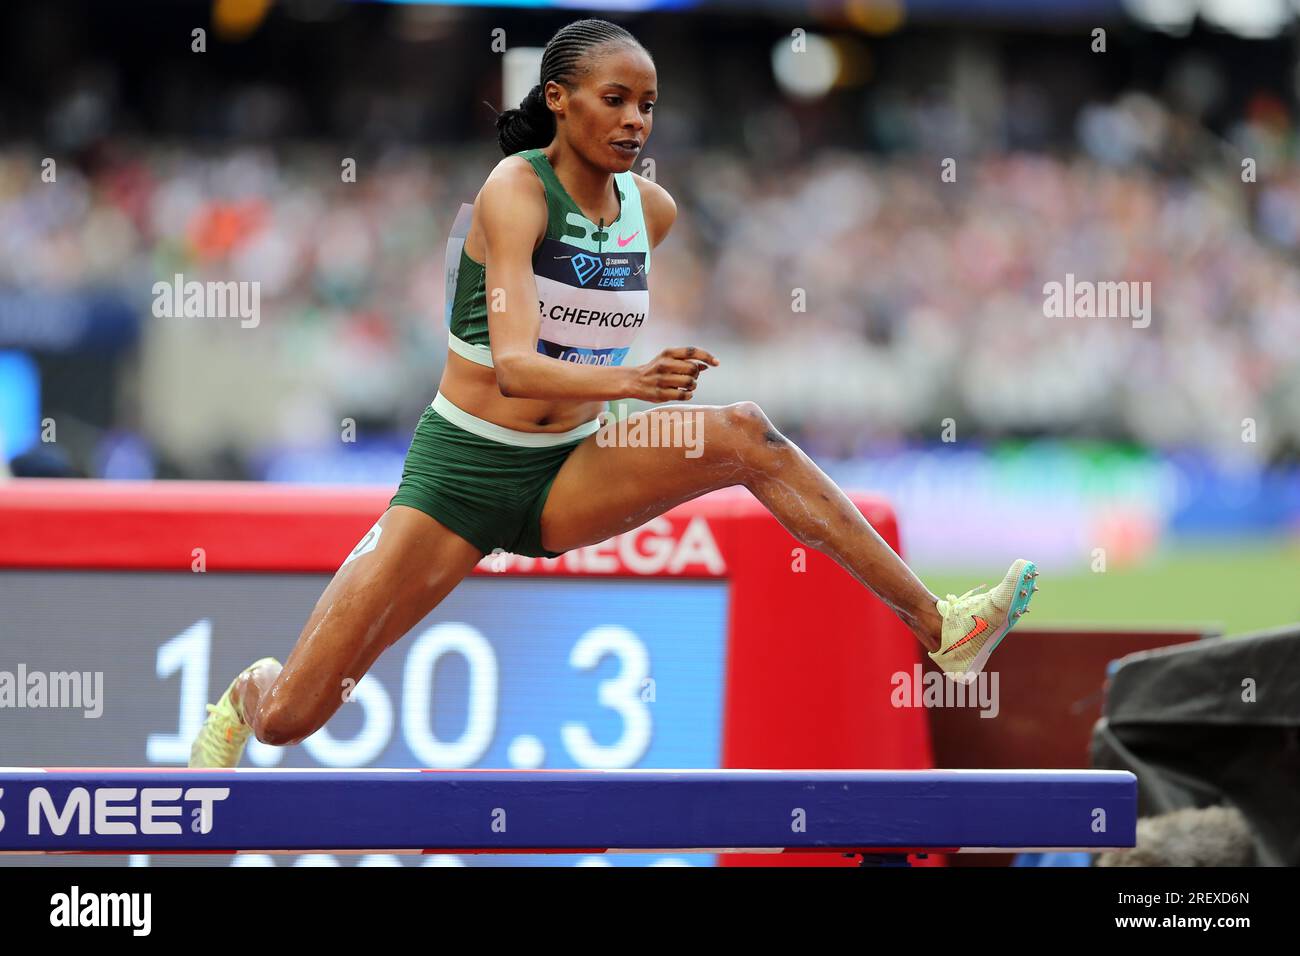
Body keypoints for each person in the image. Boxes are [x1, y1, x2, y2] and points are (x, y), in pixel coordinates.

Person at [190, 18, 1037, 768]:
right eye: (616, 99)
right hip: (461, 472)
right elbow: (515, 367)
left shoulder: (652, 210)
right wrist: (631, 380)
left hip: (570, 468)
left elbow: (595, 298)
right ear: (559, 100)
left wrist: (622, 395)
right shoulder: (514, 190)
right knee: (294, 720)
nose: (636, 121)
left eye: (650, 105)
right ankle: (250, 691)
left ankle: (940, 627)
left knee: (745, 432)